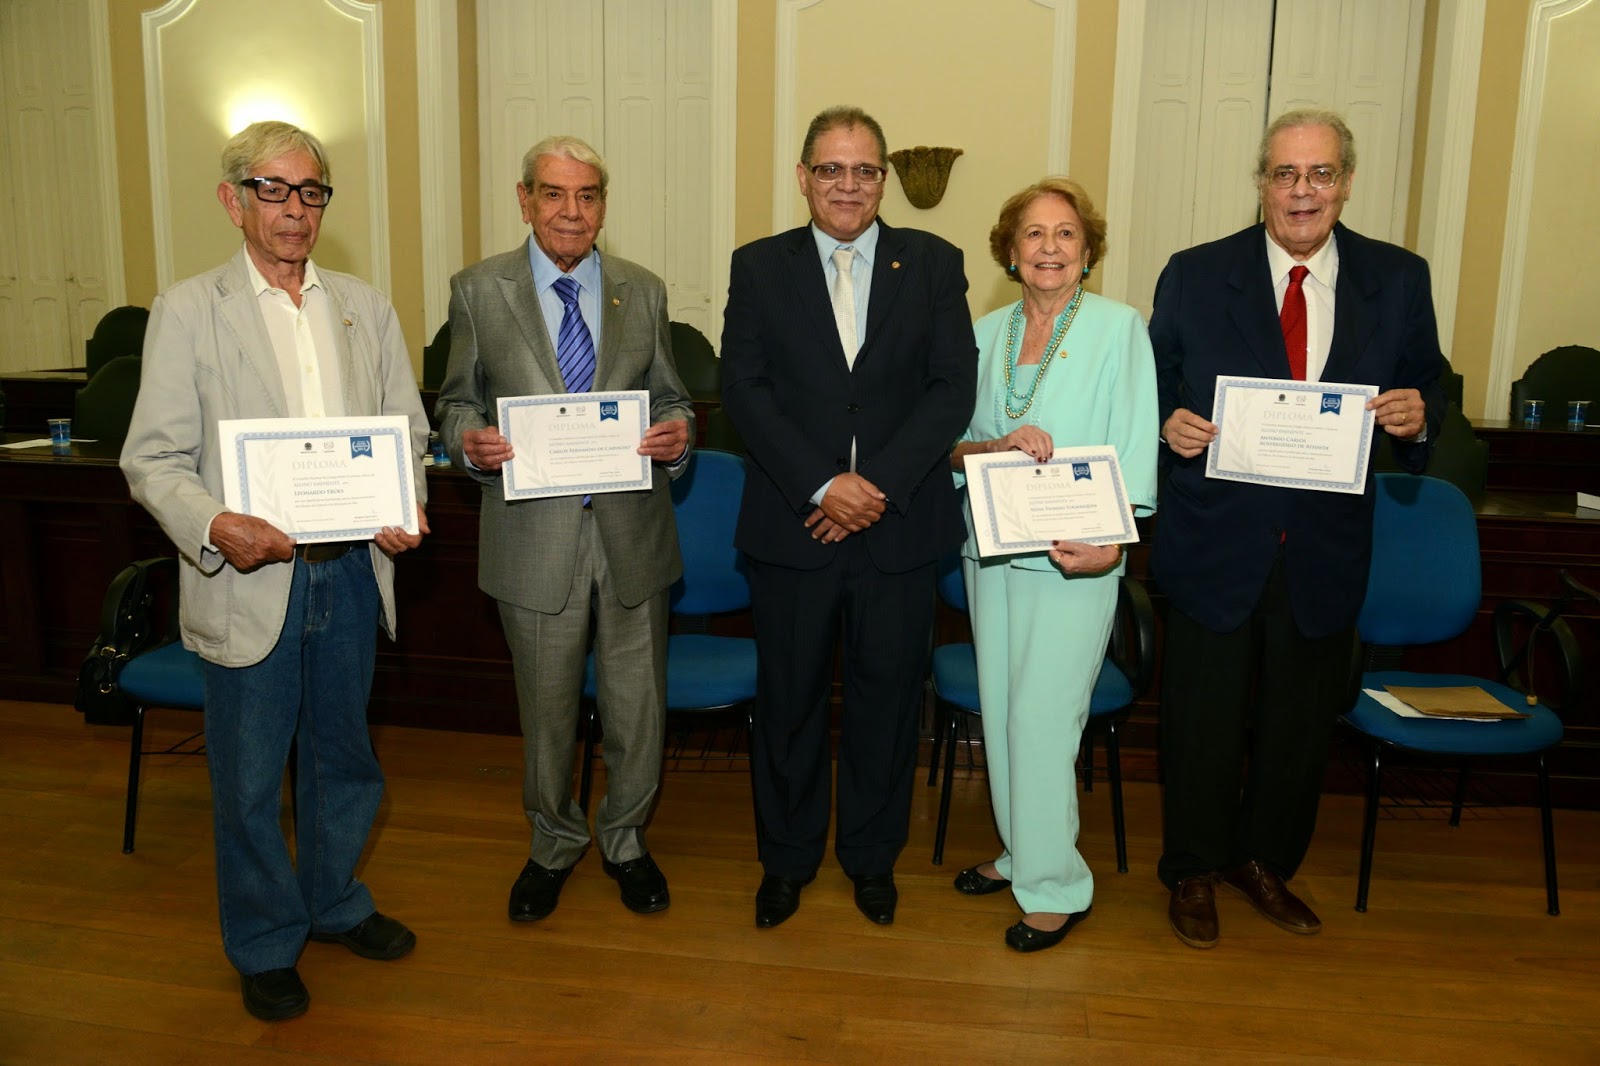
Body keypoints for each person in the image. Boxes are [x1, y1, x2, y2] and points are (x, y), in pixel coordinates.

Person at [121, 121, 430, 1021]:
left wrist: (404, 503)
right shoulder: (189, 309)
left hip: (347, 573)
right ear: (233, 200)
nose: (295, 210)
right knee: (251, 778)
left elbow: (403, 432)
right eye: (274, 189)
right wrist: (218, 523)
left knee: (345, 758)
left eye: (312, 191)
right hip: (250, 579)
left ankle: (332, 902)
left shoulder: (363, 306)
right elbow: (153, 460)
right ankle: (262, 939)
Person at [1151, 108, 1444, 949]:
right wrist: (1166, 424)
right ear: (1262, 183)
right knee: (1201, 718)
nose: (1302, 191)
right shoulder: (1197, 273)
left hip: (1323, 547)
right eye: (1285, 174)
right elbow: (1155, 382)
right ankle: (1196, 870)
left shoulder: (1399, 278)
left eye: (1320, 174)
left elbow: (1429, 384)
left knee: (1297, 722)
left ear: (1347, 182)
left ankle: (1265, 862)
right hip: (1217, 540)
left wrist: (1418, 417)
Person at [720, 105, 977, 928]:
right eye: (831, 169)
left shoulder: (933, 262)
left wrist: (877, 486)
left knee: (887, 706)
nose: (849, 185)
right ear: (803, 177)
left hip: (898, 535)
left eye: (865, 170)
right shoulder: (759, 267)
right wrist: (824, 485)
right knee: (788, 707)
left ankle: (872, 861)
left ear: (883, 180)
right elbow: (745, 392)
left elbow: (951, 390)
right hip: (794, 532)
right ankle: (787, 862)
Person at [436, 135, 693, 924]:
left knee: (636, 707)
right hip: (534, 541)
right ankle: (551, 843)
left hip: (631, 538)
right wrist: (468, 445)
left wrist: (679, 435)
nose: (571, 212)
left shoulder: (642, 290)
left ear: (603, 206)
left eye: (587, 196)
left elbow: (674, 398)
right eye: (554, 194)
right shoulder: (480, 291)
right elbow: (453, 403)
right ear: (525, 199)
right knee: (546, 714)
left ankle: (624, 840)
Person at [948, 179, 1158, 951]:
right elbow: (953, 446)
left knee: (1044, 719)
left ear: (1088, 250)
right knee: (1002, 711)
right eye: (1032, 234)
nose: (1048, 247)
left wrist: (1119, 541)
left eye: (1065, 234)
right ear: (1010, 250)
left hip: (1080, 558)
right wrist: (988, 449)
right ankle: (1020, 854)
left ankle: (1057, 886)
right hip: (993, 549)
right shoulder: (982, 331)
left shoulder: (1118, 327)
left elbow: (1137, 440)